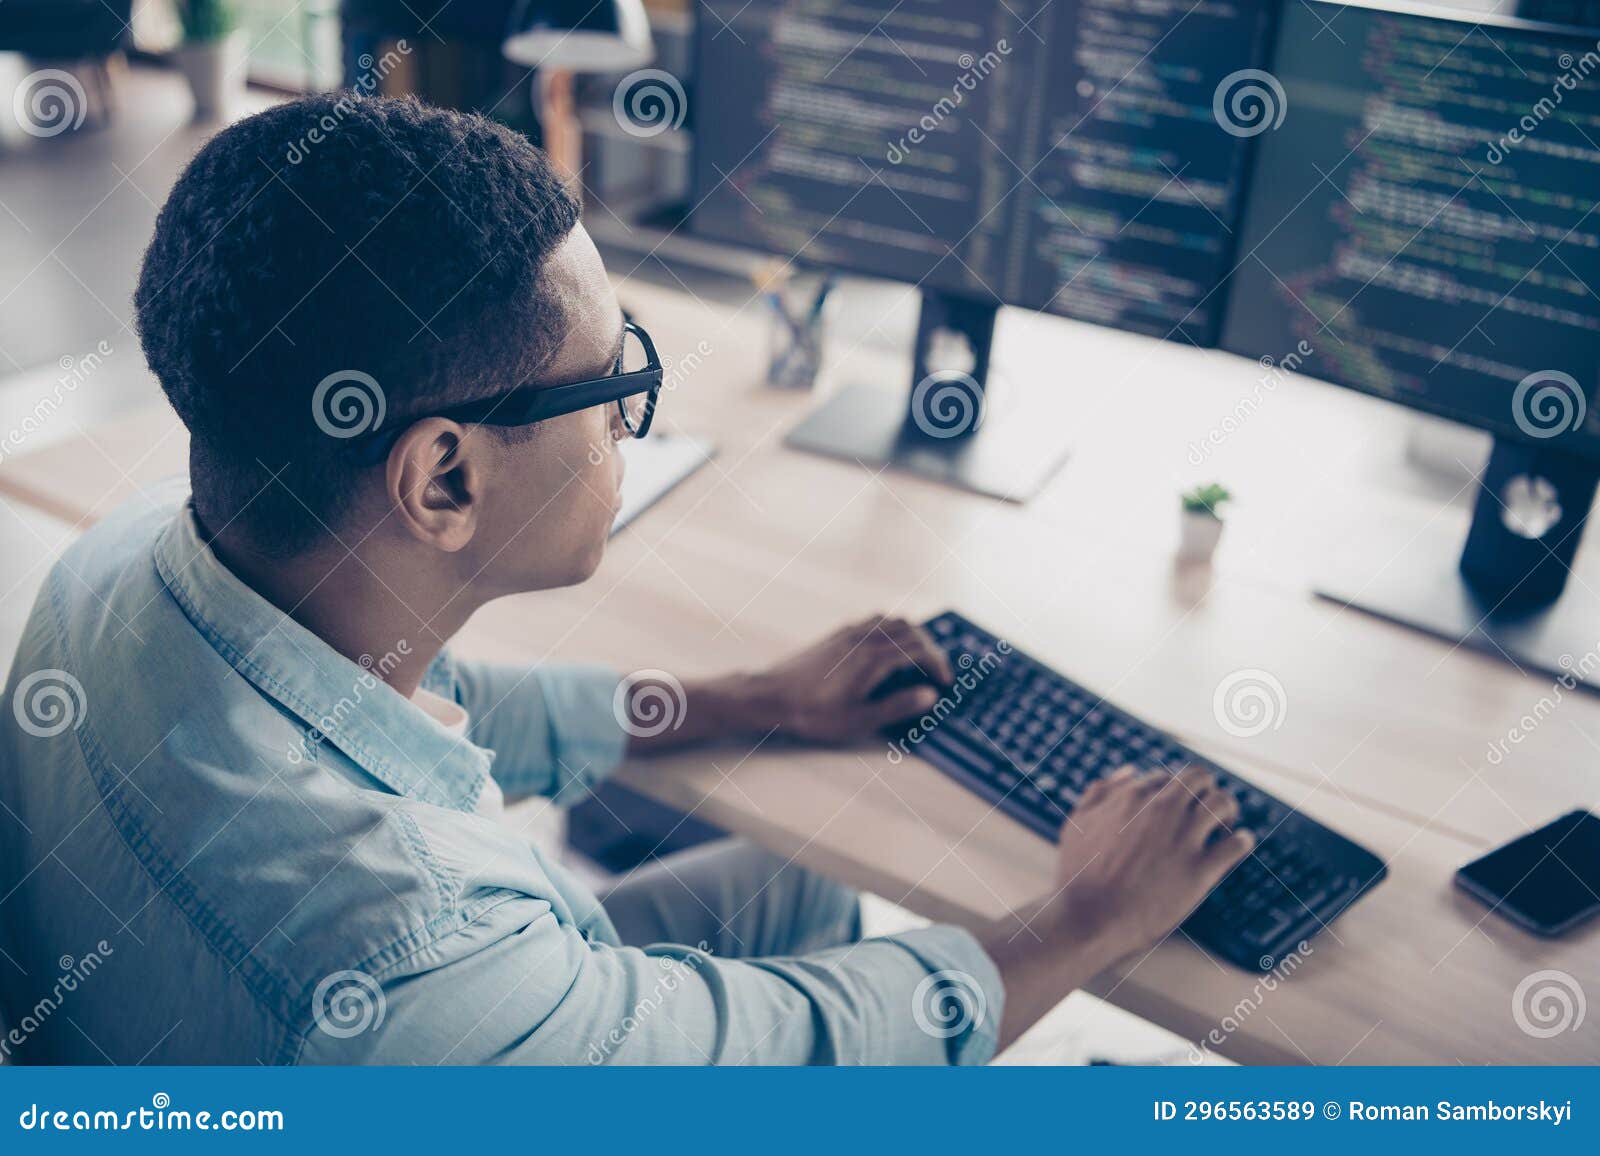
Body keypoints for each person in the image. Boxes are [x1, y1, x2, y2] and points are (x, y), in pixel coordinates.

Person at [0, 95, 1252, 1064]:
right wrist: (1088, 918)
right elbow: (804, 1061)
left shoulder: (114, 563)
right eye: (616, 386)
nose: (633, 422)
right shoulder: (419, 962)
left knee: (797, 873)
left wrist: (746, 698)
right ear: (442, 480)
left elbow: (392, 704)